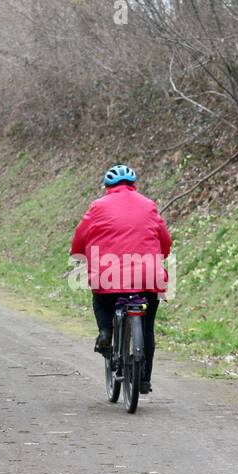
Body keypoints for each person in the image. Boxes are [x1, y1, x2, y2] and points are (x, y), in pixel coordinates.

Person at [70, 164, 172, 394]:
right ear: (133, 185)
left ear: (107, 186)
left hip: (108, 276)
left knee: (101, 300)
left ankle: (105, 332)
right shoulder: (149, 205)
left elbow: (80, 237)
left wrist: (78, 253)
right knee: (147, 326)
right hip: (148, 276)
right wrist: (160, 256)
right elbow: (164, 239)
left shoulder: (97, 206)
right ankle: (144, 380)